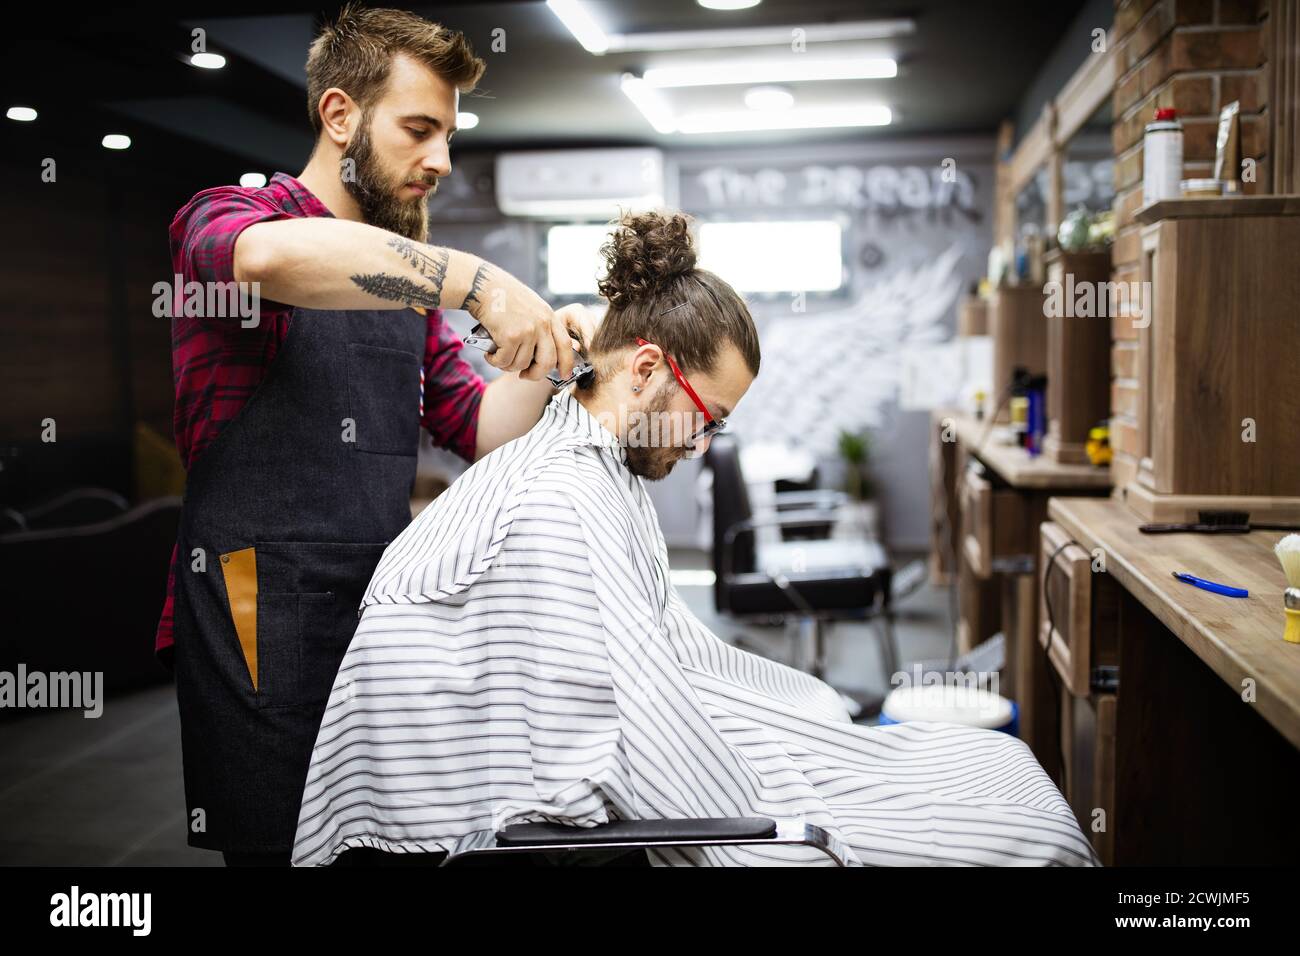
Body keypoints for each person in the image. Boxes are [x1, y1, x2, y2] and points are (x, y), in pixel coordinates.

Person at [291, 211, 1099, 867]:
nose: (701, 442)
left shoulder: (594, 465)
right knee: (1026, 833)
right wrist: (784, 830)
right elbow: (631, 737)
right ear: (645, 369)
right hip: (456, 837)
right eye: (705, 418)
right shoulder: (561, 494)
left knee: (992, 765)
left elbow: (661, 670)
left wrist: (811, 721)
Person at [162, 4, 595, 866]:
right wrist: (471, 280)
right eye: (419, 129)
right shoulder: (226, 215)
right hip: (258, 603)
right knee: (281, 840)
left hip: (372, 598)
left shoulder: (401, 275)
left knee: (372, 839)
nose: (440, 159)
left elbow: (479, 430)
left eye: (449, 133)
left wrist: (545, 361)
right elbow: (265, 261)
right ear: (338, 114)